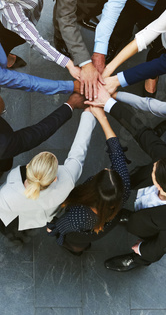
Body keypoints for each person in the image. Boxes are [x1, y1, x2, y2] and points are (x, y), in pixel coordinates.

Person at [94, 97, 166, 272]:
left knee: (141, 244)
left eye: (154, 171)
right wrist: (109, 103)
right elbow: (141, 132)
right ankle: (125, 216)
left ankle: (136, 261)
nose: (153, 164)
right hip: (143, 200)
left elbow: (160, 247)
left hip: (146, 227)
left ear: (160, 186)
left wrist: (142, 250)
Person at [0, 107, 97, 243]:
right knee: (25, 230)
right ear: (54, 178)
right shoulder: (68, 179)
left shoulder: (8, 194)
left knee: (6, 228)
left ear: (29, 166)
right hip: (39, 218)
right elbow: (79, 152)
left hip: (13, 217)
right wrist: (88, 116)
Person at [45, 105, 131, 255]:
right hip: (106, 223)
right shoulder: (124, 186)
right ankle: (80, 249)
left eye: (104, 173)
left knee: (74, 242)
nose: (106, 169)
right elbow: (117, 153)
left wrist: (50, 228)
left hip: (82, 231)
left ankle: (76, 250)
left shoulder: (79, 214)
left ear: (93, 189)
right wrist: (102, 118)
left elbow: (61, 227)